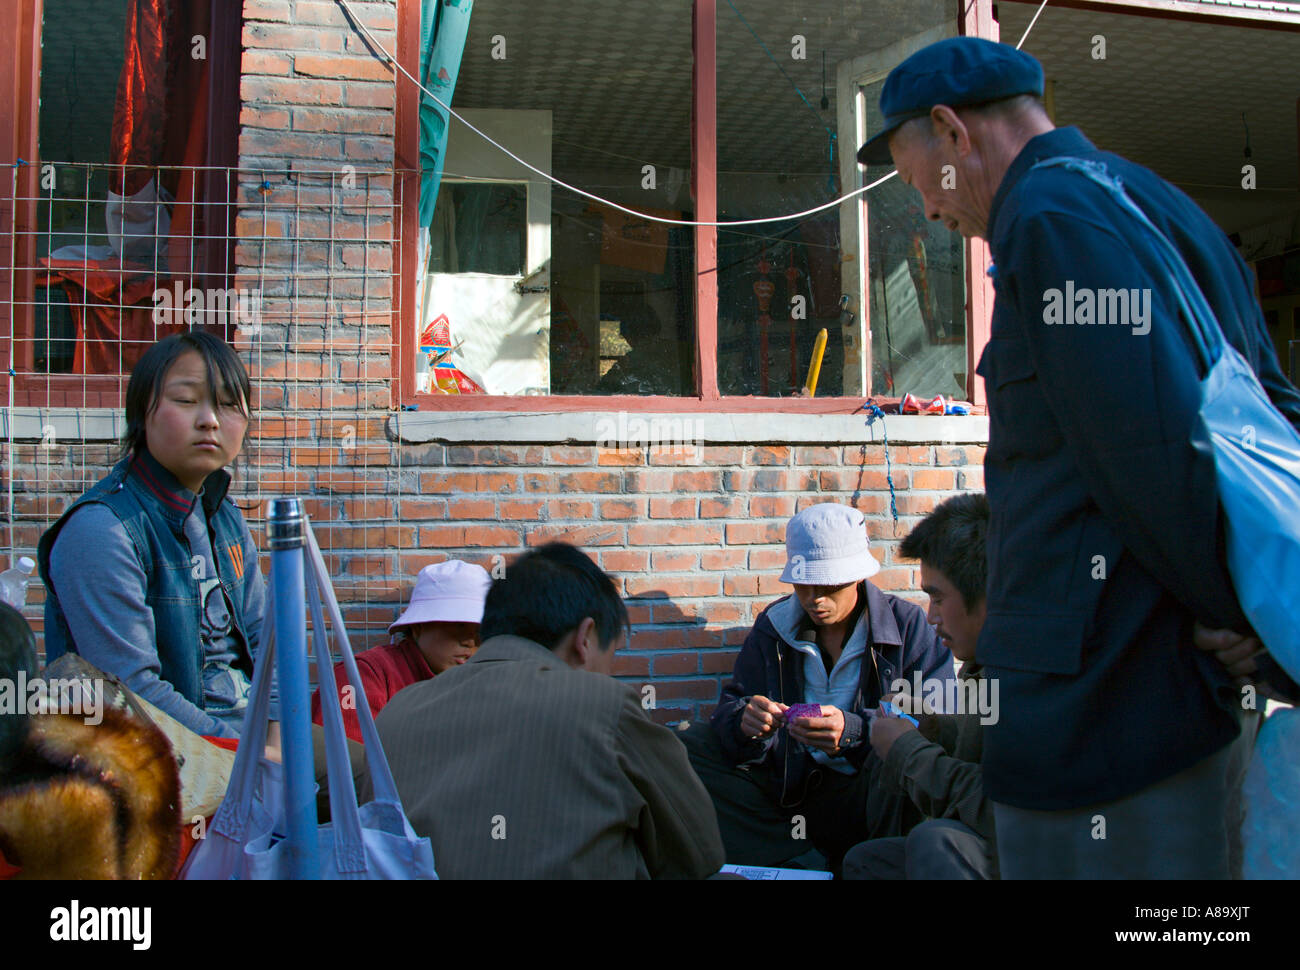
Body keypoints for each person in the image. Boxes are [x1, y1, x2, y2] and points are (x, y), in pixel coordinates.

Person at [858, 36, 1300, 878]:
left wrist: (1244, 619)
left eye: (920, 185)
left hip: (1111, 717)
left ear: (953, 132)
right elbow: (1276, 405)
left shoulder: (1048, 219)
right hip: (1174, 699)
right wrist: (1261, 618)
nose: (930, 214)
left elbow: (1146, 449)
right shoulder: (1156, 201)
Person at [363, 542, 724, 879]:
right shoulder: (604, 706)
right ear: (585, 638)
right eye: (611, 654)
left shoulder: (398, 711)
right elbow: (698, 854)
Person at [680, 502, 955, 873]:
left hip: (869, 794)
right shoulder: (774, 626)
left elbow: (934, 718)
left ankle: (871, 862)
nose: (814, 599)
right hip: (788, 793)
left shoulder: (908, 627)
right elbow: (732, 704)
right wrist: (747, 721)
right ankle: (800, 856)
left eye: (828, 585)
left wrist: (854, 731)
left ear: (857, 576)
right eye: (803, 585)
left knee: (899, 752)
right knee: (688, 743)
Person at [38, 331, 270, 741]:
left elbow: (268, 640)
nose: (210, 420)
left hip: (251, 733)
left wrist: (280, 731)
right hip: (166, 754)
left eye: (228, 404)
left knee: (376, 769)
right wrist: (251, 753)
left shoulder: (225, 515)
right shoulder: (101, 529)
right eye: (185, 400)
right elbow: (132, 692)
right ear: (141, 413)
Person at [843, 493, 995, 880]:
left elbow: (1000, 808)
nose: (931, 617)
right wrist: (931, 728)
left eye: (939, 598)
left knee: (935, 841)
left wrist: (906, 751)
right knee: (867, 862)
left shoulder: (1034, 682)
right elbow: (971, 748)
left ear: (988, 593)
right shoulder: (981, 668)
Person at [310, 560, 489, 743]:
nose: (470, 641)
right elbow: (345, 763)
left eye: (481, 631)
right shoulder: (363, 677)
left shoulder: (487, 683)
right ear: (419, 627)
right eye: (458, 626)